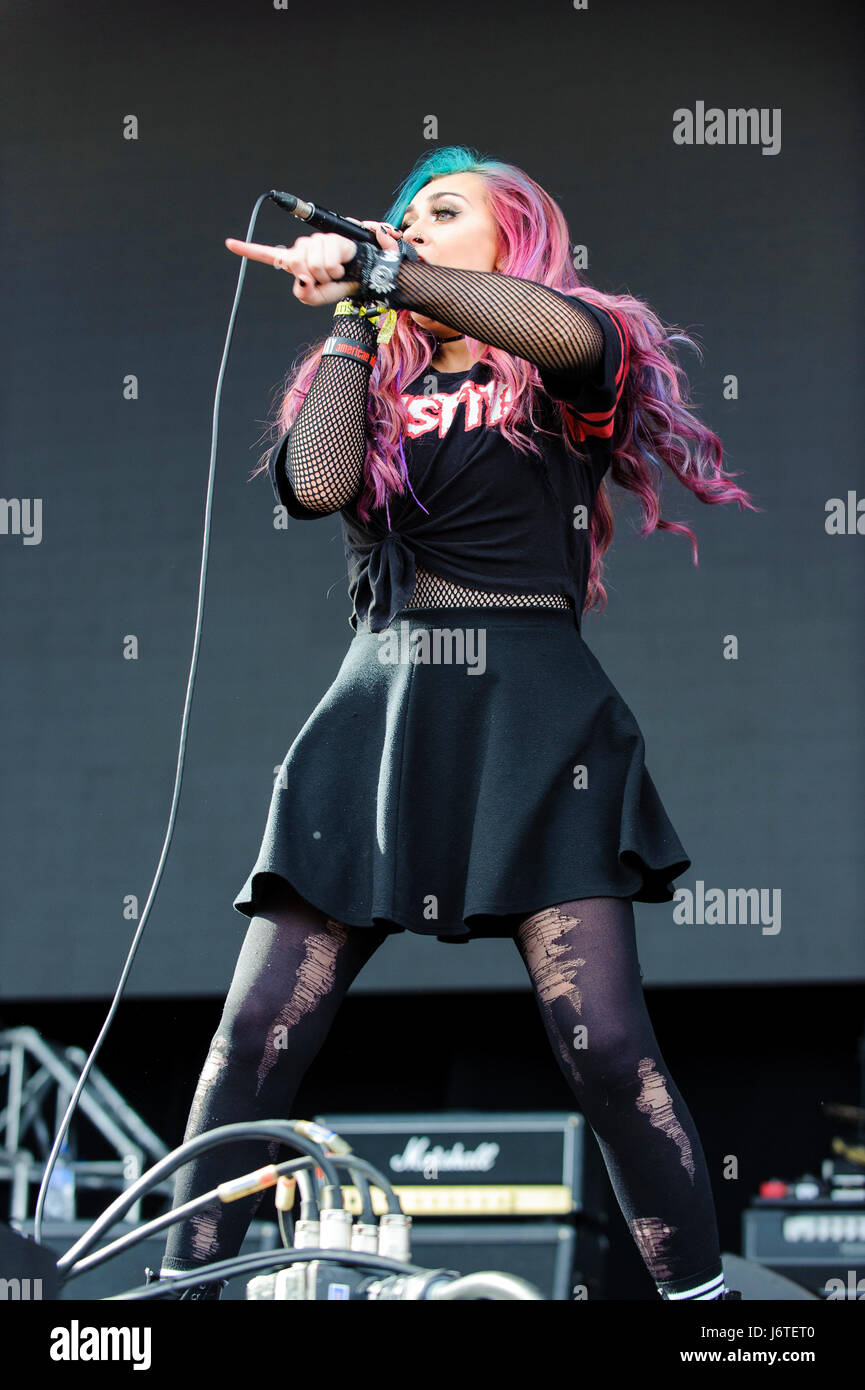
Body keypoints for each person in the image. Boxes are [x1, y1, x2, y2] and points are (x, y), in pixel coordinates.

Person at [151, 146, 756, 1301]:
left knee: (605, 1044)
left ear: (512, 235)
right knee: (255, 1035)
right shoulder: (375, 365)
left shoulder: (572, 353)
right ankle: (178, 1298)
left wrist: (382, 267)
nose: (414, 227)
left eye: (443, 212)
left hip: (534, 718)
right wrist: (354, 325)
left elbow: (566, 336)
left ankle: (707, 1313)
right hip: (380, 713)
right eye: (403, 216)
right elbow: (317, 484)